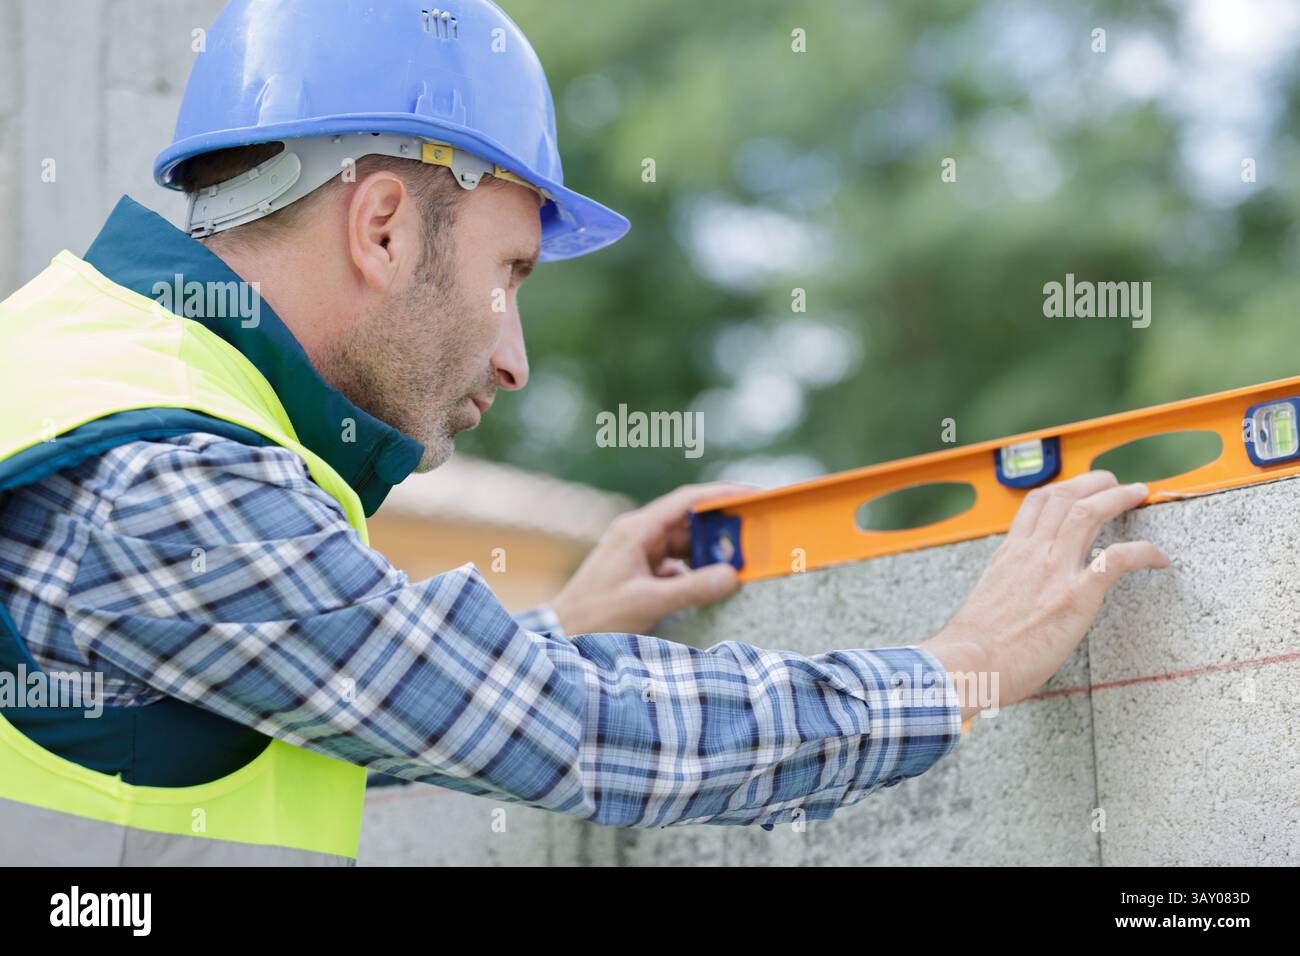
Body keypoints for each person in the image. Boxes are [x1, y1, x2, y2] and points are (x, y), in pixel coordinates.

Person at [0, 0, 1167, 865]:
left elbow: (326, 687)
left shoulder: (95, 381)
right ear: (386, 227)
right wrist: (957, 668)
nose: (514, 358)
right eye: (509, 272)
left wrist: (556, 626)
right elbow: (573, 731)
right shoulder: (157, 471)